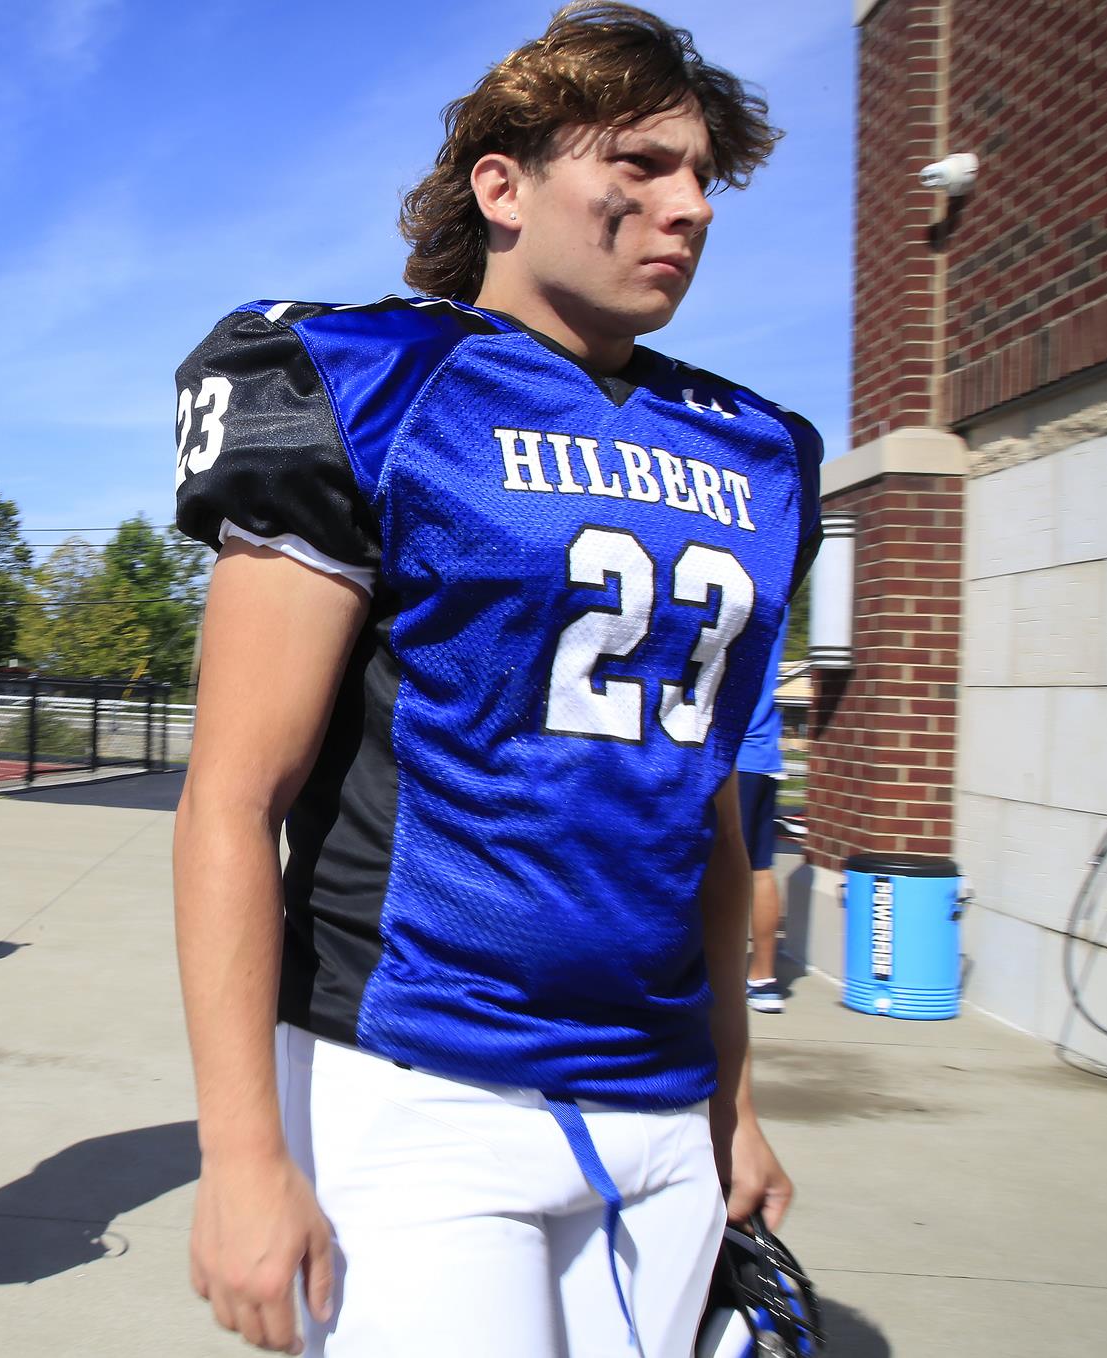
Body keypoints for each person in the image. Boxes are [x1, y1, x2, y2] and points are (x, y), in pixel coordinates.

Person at [170, 5, 819, 1354]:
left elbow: (704, 809)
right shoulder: (371, 383)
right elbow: (232, 797)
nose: (685, 206)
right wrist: (239, 1157)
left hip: (659, 1090)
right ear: (503, 186)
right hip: (416, 1081)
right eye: (637, 165)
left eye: (702, 175)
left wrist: (734, 1101)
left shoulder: (752, 451)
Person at [740, 608, 789, 1014]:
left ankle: (708, 974)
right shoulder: (777, 600)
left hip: (727, 755)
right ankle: (764, 977)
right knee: (760, 869)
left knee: (711, 869)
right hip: (762, 754)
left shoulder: (738, 589)